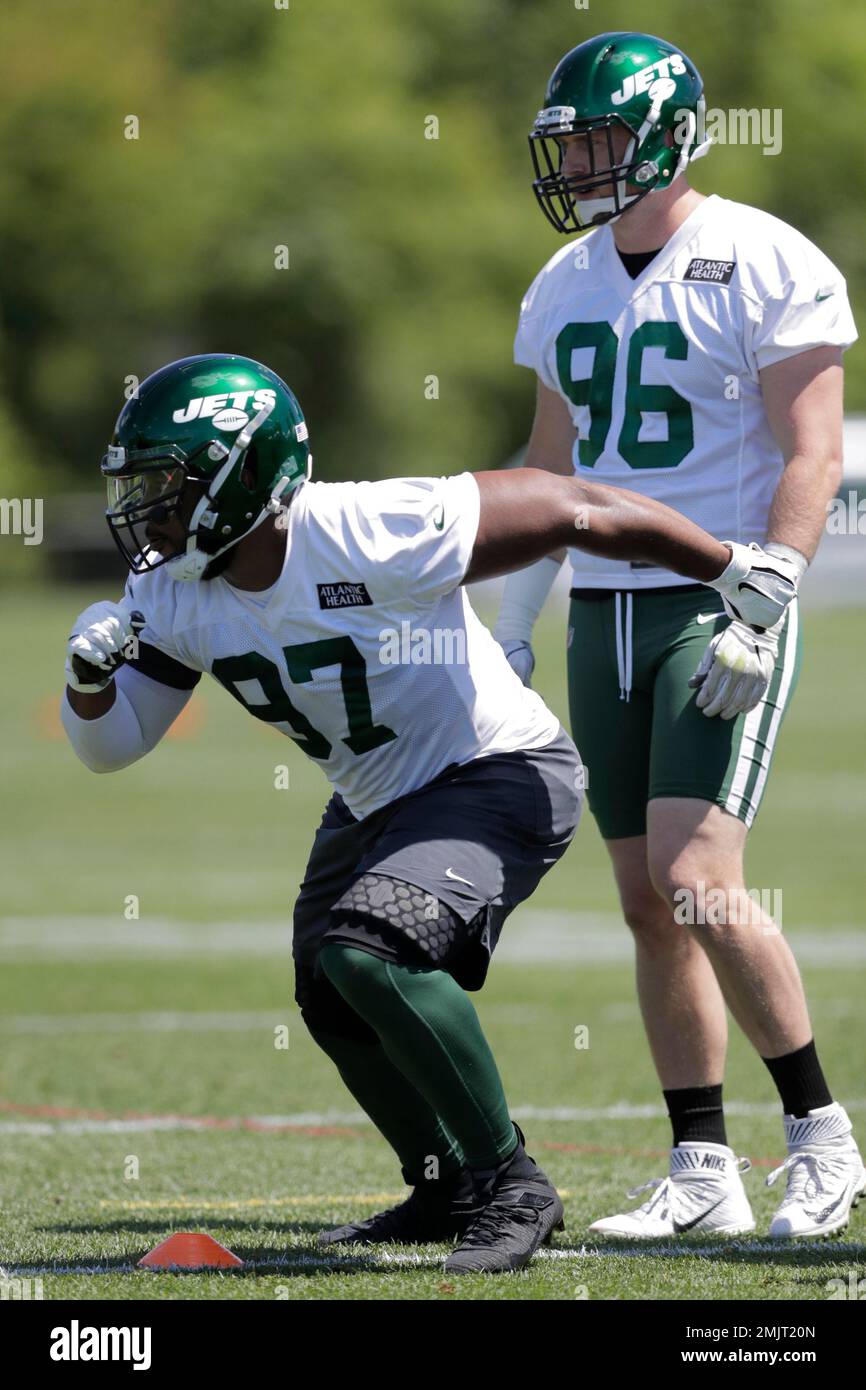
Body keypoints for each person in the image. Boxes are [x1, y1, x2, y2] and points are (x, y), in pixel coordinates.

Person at [63, 352, 797, 1269]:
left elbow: (572, 503)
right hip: (373, 797)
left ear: (239, 474)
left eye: (167, 486)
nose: (148, 511)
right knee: (331, 993)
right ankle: (445, 1182)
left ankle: (513, 1180)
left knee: (370, 952)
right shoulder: (172, 589)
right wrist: (87, 683)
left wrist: (730, 568)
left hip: (496, 769)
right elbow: (112, 742)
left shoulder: (367, 527)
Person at [494, 30, 864, 1238]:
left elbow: (810, 447)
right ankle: (700, 1169)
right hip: (597, 612)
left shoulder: (763, 257)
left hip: (716, 601)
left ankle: (821, 1137)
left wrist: (771, 588)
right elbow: (546, 471)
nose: (582, 164)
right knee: (646, 903)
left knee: (697, 882)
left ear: (661, 136)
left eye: (599, 138)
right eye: (572, 144)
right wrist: (508, 615)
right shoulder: (561, 281)